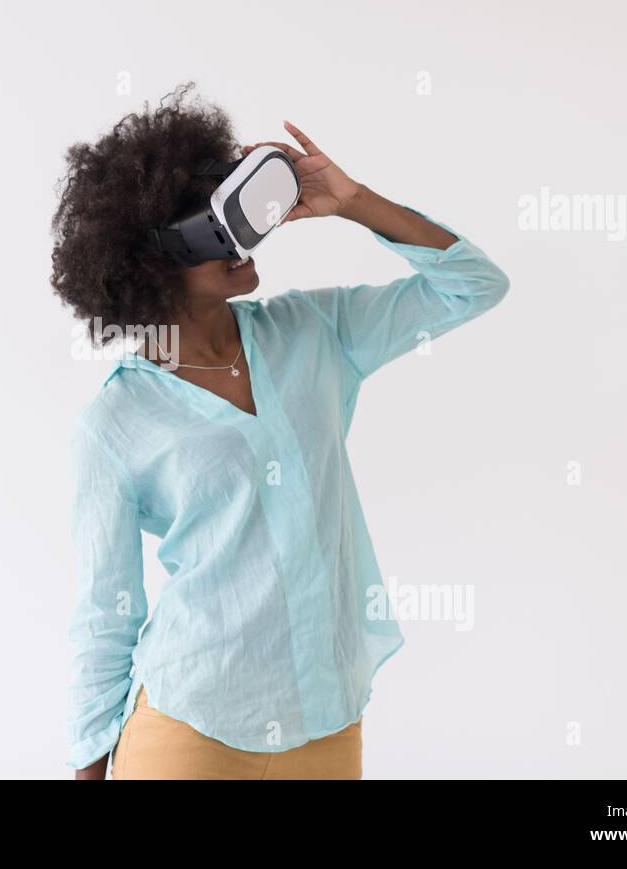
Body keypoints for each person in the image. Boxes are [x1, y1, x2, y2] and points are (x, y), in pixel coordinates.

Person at [50, 83, 509, 779]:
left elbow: (474, 284)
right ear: (155, 258)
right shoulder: (115, 424)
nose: (249, 236)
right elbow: (104, 615)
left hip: (326, 725)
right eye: (217, 224)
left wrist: (354, 202)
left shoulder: (315, 334)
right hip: (190, 730)